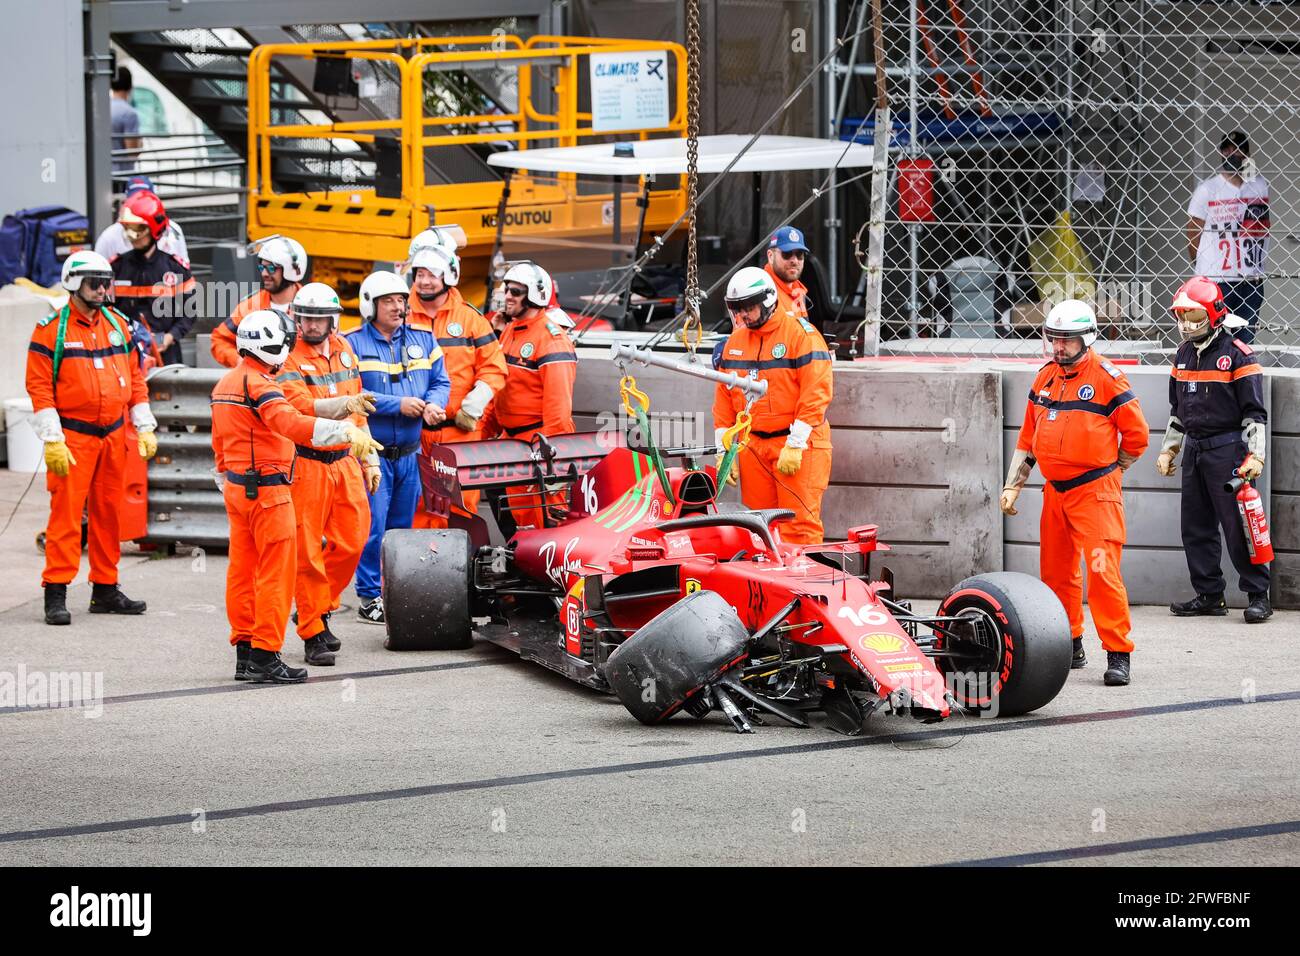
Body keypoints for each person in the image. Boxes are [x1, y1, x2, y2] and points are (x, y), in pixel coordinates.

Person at [211, 309, 381, 683]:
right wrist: (344, 432)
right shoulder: (261, 385)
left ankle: (245, 651)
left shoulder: (225, 383)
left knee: (242, 573)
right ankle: (266, 655)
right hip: (270, 492)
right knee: (277, 573)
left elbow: (220, 445)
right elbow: (290, 423)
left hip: (238, 489)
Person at [1000, 300, 1149, 686]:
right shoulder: (1045, 377)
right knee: (1057, 574)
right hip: (1056, 494)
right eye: (1054, 339)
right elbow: (1029, 437)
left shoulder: (1108, 378)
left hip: (1095, 494)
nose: (1058, 347)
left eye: (1066, 340)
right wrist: (1012, 484)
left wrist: (1112, 469)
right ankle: (1071, 645)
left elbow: (1137, 436)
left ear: (1087, 339)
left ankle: (1118, 654)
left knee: (1101, 573)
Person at [26, 250, 158, 625]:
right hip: (73, 438)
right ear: (73, 284)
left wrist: (143, 424)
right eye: (94, 283)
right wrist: (53, 438)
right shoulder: (51, 330)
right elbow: (39, 388)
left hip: (114, 435)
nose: (102, 290)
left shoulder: (117, 324)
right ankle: (56, 590)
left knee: (109, 514)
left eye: (105, 282)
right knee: (66, 516)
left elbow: (135, 379)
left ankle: (105, 588)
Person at [275, 283, 380, 665]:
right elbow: (300, 407)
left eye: (319, 317)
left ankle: (318, 608)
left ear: (332, 320)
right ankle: (313, 629)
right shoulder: (286, 357)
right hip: (307, 462)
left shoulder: (344, 350)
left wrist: (369, 460)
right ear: (296, 317)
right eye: (306, 317)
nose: (312, 324)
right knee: (307, 553)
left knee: (353, 541)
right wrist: (344, 406)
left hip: (345, 460)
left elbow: (359, 410)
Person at [1158, 277, 1271, 623]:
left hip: (1227, 451)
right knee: (1195, 526)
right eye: (1183, 316)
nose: (1188, 324)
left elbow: (1254, 413)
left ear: (1214, 314)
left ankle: (1257, 594)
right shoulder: (1182, 355)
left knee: (1239, 524)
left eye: (1195, 316)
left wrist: (1256, 454)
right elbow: (1178, 412)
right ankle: (1209, 594)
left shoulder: (1237, 354)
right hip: (1194, 450)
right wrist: (1169, 450)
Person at [345, 270, 450, 625]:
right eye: (388, 301)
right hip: (373, 455)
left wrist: (435, 403)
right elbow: (353, 397)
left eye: (401, 300)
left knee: (401, 530)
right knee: (373, 527)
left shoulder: (424, 338)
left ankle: (394, 589)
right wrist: (398, 405)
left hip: (409, 454)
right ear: (369, 305)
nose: (398, 307)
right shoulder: (353, 344)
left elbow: (440, 380)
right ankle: (368, 594)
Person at [712, 267, 833, 545]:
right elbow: (723, 399)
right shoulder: (735, 343)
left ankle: (803, 586)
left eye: (747, 308)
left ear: (767, 300)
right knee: (759, 527)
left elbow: (816, 392)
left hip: (797, 444)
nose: (742, 316)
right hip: (754, 447)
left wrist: (796, 442)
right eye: (736, 309)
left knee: (798, 528)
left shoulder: (802, 336)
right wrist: (723, 449)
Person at [405, 246, 507, 529]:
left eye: (432, 275)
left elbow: (494, 367)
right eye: (420, 274)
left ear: (448, 277)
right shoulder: (401, 316)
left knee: (461, 507)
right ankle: (418, 569)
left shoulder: (471, 320)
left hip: (460, 432)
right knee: (416, 507)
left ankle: (459, 569)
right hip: (413, 430)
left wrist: (474, 404)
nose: (425, 281)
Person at [479, 262, 577, 532]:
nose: (507, 296)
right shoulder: (512, 329)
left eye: (516, 291)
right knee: (511, 520)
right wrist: (480, 434)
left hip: (536, 446)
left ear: (535, 294)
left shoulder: (551, 339)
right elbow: (500, 390)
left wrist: (546, 458)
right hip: (510, 444)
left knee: (538, 527)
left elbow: (558, 411)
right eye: (507, 289)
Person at [1186, 130, 1270, 343]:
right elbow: (1193, 232)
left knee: (1245, 342)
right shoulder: (1208, 190)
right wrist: (1203, 264)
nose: (1235, 154)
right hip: (1216, 280)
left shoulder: (1258, 186)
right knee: (1213, 340)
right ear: (1221, 152)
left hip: (1250, 279)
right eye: (1228, 150)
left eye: (1240, 150)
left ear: (1248, 153)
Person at [108, 191, 196, 366]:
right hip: (125, 353)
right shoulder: (116, 268)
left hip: (166, 355)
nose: (131, 236)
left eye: (136, 230)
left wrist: (169, 337)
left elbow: (189, 313)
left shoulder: (175, 269)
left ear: (153, 229)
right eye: (127, 230)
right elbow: (105, 312)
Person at [210, 235, 307, 368]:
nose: (264, 274)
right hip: (264, 384)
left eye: (271, 268)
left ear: (292, 270)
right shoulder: (251, 307)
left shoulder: (312, 305)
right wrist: (240, 361)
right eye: (262, 268)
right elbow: (220, 340)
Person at [95, 177, 189, 262]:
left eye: (145, 198)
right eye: (135, 198)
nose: (139, 203)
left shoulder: (173, 229)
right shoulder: (109, 236)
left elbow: (183, 268)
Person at [764, 226, 813, 326]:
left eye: (799, 255)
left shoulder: (799, 292)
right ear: (771, 256)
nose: (794, 261)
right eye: (786, 254)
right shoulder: (760, 292)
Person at [110, 66, 142, 182]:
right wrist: (140, 142)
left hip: (103, 173)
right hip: (122, 174)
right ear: (130, 86)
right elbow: (132, 152)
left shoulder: (101, 109)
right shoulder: (129, 113)